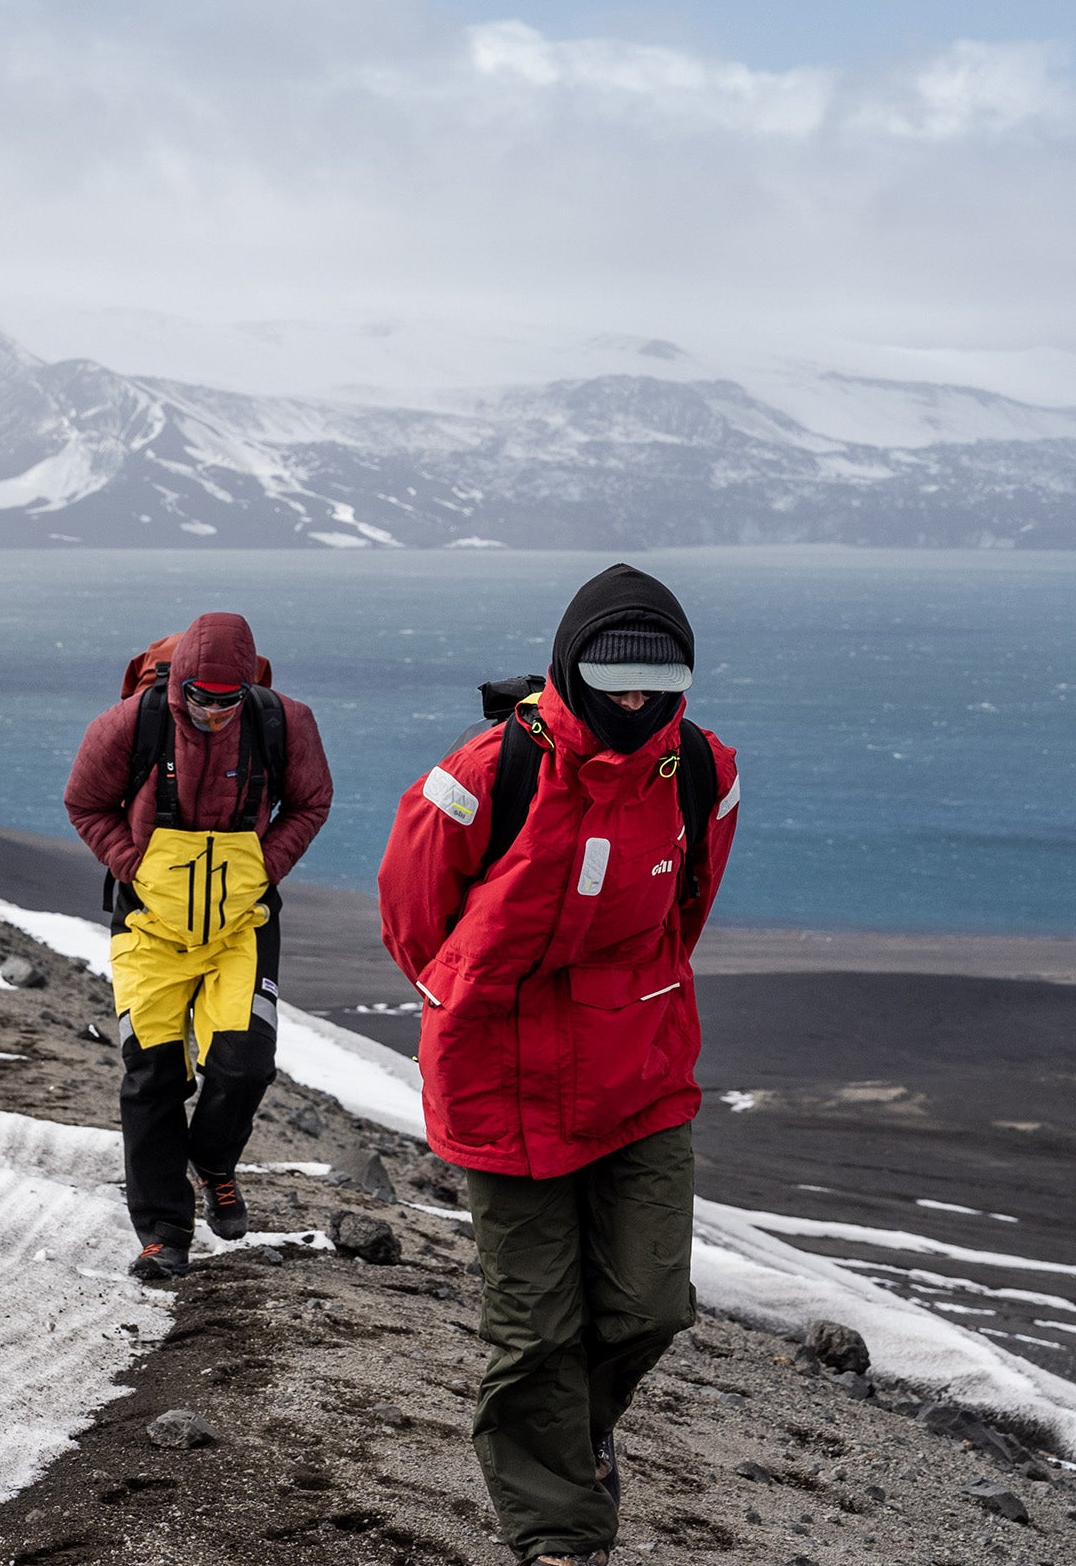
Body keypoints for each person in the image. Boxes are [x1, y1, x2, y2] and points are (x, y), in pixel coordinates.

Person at [377, 564, 741, 1566]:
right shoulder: (482, 777)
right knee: (535, 1326)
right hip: (504, 1084)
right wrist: (485, 1006)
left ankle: (576, 1426)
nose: (633, 703)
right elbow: (415, 929)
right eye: (614, 680)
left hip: (640, 1072)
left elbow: (685, 910)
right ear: (568, 667)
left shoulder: (703, 770)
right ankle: (558, 1531)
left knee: (650, 1300)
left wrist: (626, 1003)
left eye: (655, 686)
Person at [64, 611, 332, 1281]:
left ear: (248, 688)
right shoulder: (126, 726)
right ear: (176, 683)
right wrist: (131, 865)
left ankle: (213, 1162)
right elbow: (84, 804)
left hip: (242, 923)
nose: (211, 713)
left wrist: (264, 869)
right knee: (152, 1078)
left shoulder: (284, 722)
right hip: (149, 926)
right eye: (198, 700)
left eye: (226, 701)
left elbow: (311, 802)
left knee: (244, 1065)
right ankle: (165, 1233)